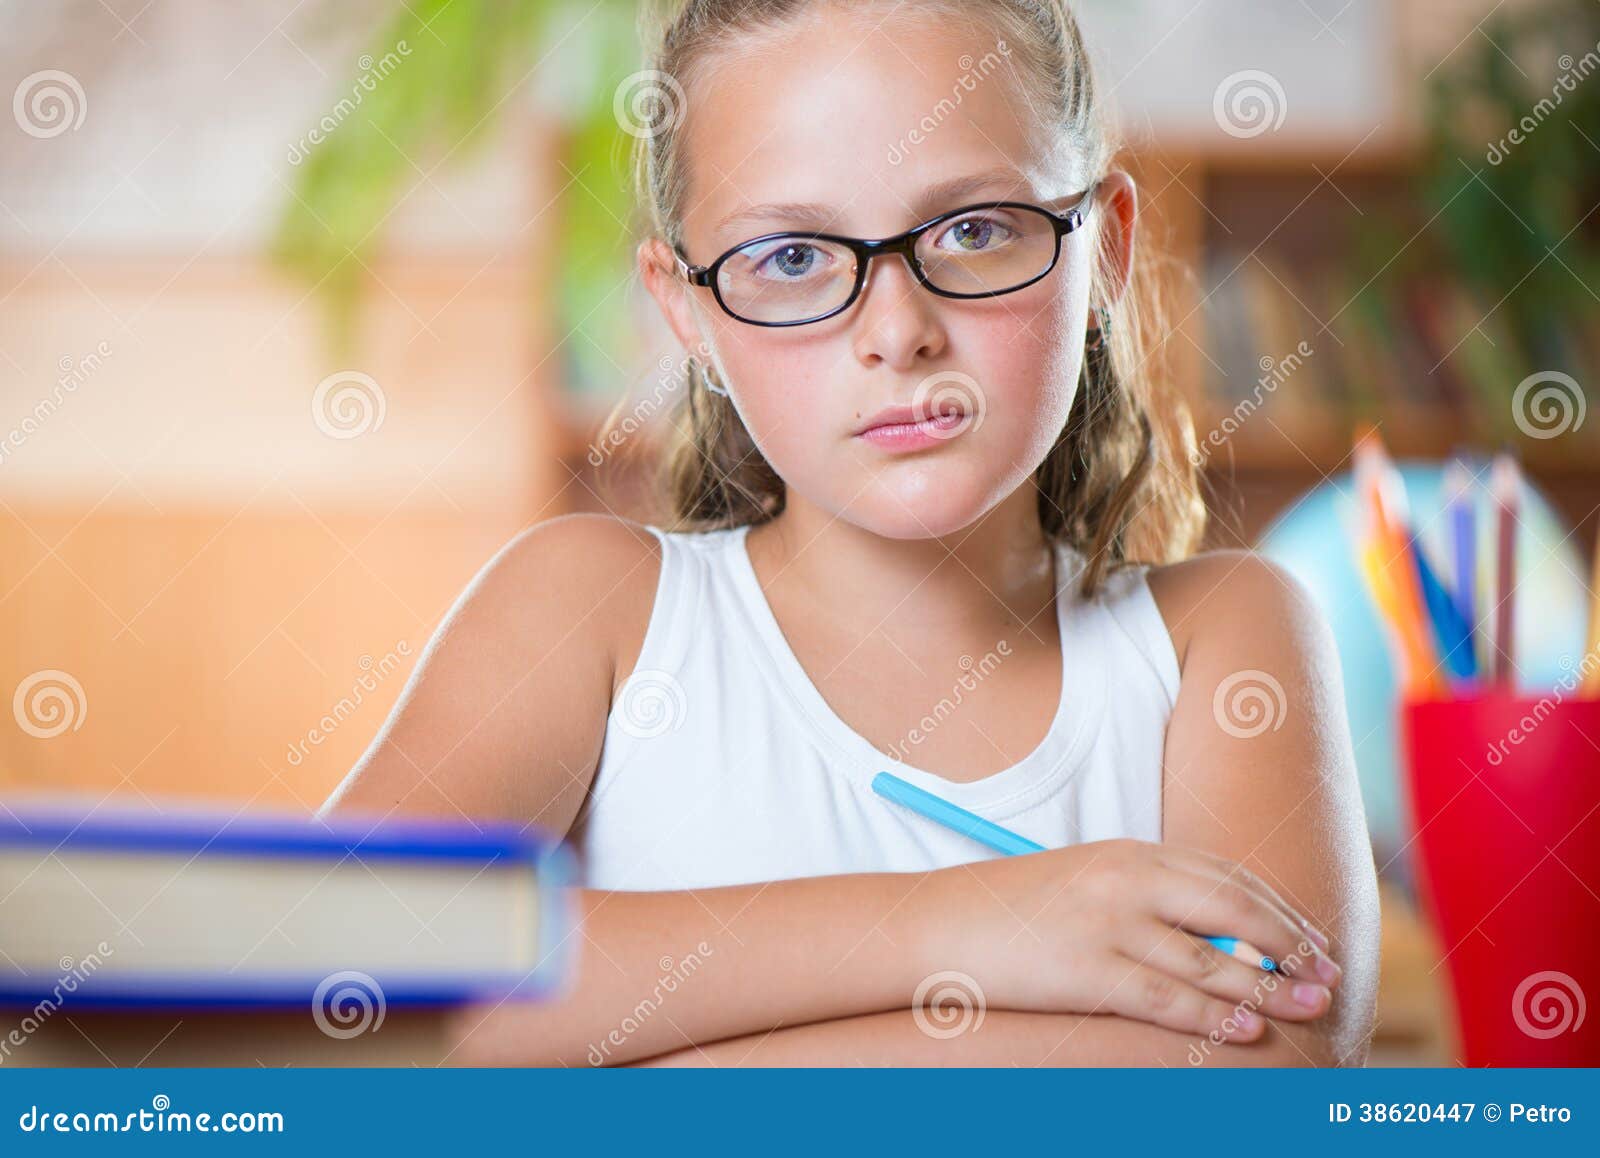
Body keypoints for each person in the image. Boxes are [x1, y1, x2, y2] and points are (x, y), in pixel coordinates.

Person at [319, 0, 1379, 1066]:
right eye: (789, 257)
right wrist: (973, 926)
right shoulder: (587, 610)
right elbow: (328, 987)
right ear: (684, 312)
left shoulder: (1224, 635)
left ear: (1103, 251)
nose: (895, 332)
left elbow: (1264, 1070)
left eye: (972, 231)